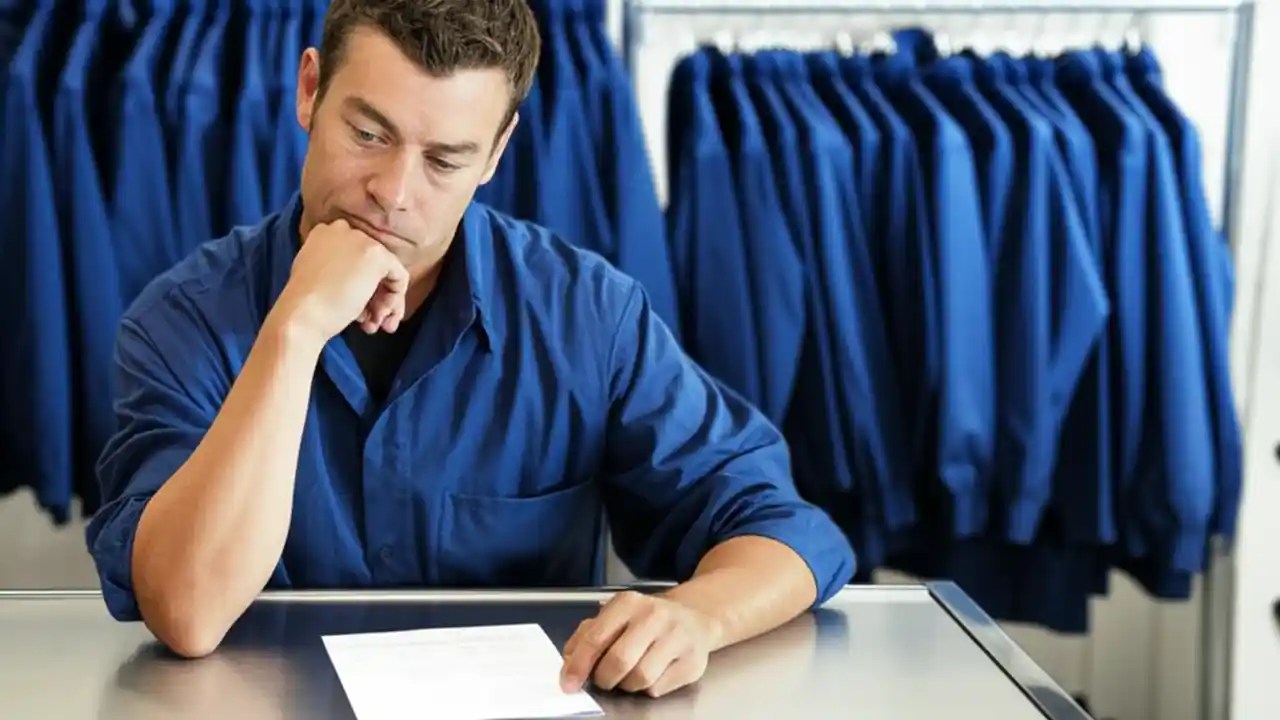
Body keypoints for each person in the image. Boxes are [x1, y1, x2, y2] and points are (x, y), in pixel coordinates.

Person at [84, 0, 856, 699]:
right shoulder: (183, 319)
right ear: (310, 90)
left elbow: (788, 531)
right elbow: (185, 611)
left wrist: (697, 617)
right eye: (368, 134)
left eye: (444, 160)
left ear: (495, 153)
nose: (393, 191)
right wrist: (294, 332)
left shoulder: (586, 315)